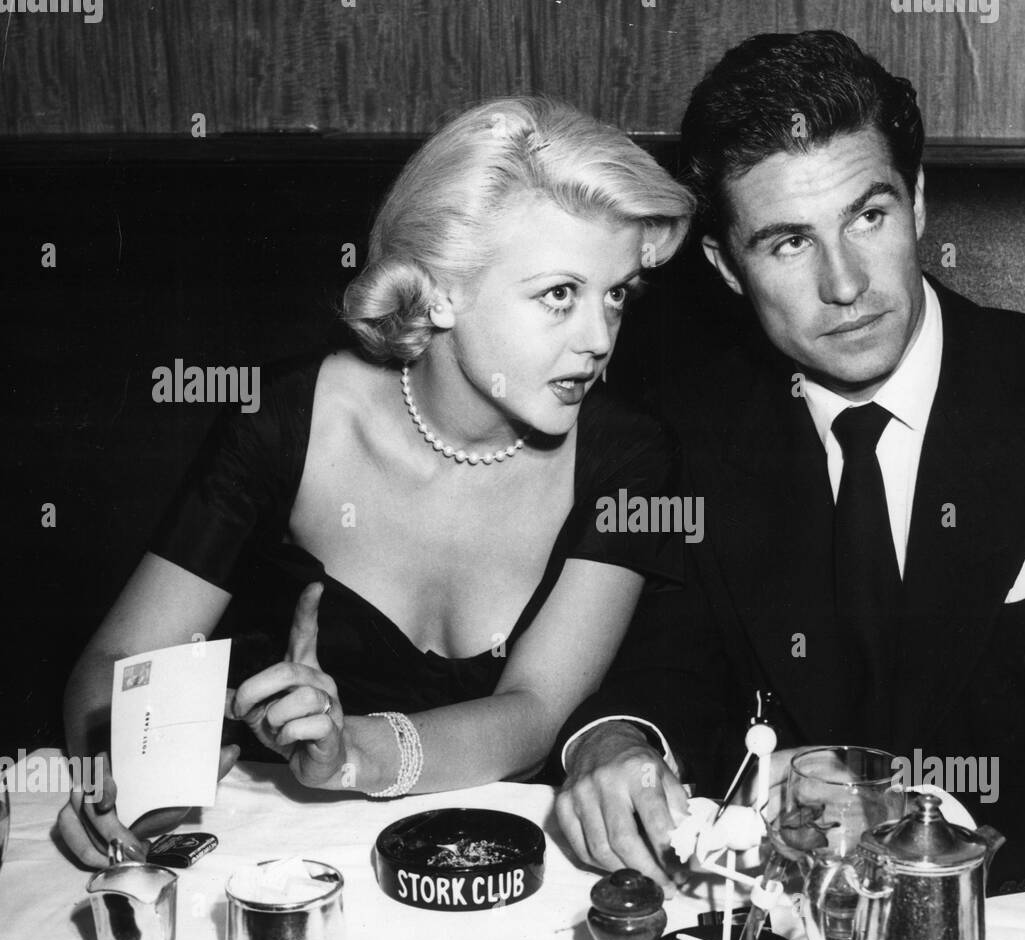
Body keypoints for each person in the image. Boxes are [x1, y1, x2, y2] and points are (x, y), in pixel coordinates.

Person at [553, 32, 1025, 940]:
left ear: (917, 204)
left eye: (867, 215)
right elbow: (668, 656)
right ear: (725, 267)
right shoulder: (692, 429)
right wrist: (618, 738)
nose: (845, 281)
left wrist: (895, 818)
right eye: (786, 241)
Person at [58, 96, 694, 868]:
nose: (598, 340)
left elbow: (532, 714)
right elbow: (116, 661)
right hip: (287, 862)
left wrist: (353, 752)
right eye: (559, 294)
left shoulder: (628, 457)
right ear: (439, 292)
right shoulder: (287, 421)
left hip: (499, 864)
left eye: (616, 294)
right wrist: (117, 773)